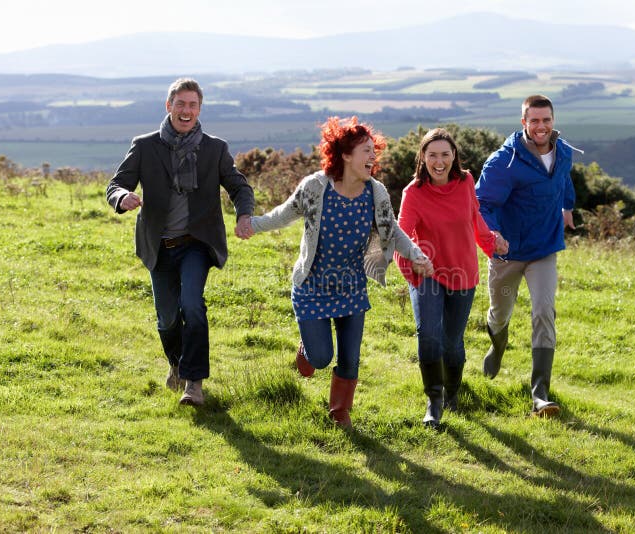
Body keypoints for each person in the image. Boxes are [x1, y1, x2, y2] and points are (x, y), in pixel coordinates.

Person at [247, 116, 433, 429]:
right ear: (345, 155)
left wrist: (417, 254)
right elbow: (283, 214)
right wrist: (252, 224)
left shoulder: (375, 193)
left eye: (374, 150)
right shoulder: (316, 187)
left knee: (350, 357)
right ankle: (308, 349)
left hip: (351, 286)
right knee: (320, 358)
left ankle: (339, 411)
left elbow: (392, 231)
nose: (373, 156)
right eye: (365, 150)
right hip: (312, 286)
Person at [106, 78, 254, 407]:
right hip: (158, 244)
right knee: (167, 318)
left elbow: (239, 187)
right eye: (180, 104)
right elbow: (115, 184)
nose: (186, 111)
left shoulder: (215, 149)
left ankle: (193, 383)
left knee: (192, 305)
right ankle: (176, 363)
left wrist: (244, 216)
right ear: (169, 106)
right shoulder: (145, 146)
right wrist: (122, 196)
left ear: (199, 109)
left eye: (192, 105)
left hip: (196, 243)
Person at [395, 128, 509, 428]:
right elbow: (401, 236)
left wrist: (491, 242)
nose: (439, 161)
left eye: (445, 154)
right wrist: (414, 259)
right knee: (429, 335)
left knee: (452, 345)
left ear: (454, 155)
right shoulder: (413, 193)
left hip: (462, 272)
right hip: (427, 272)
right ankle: (434, 401)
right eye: (432, 155)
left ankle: (452, 393)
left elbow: (474, 218)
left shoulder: (465, 181)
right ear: (423, 157)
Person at [475, 94, 579, 417]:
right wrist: (494, 235)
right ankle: (497, 345)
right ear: (524, 122)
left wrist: (567, 207)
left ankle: (540, 395)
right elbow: (482, 203)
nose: (541, 126)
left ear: (553, 121)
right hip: (507, 252)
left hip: (544, 249)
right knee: (500, 313)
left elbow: (564, 180)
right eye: (534, 120)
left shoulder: (563, 152)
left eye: (546, 120)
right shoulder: (504, 162)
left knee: (544, 311)